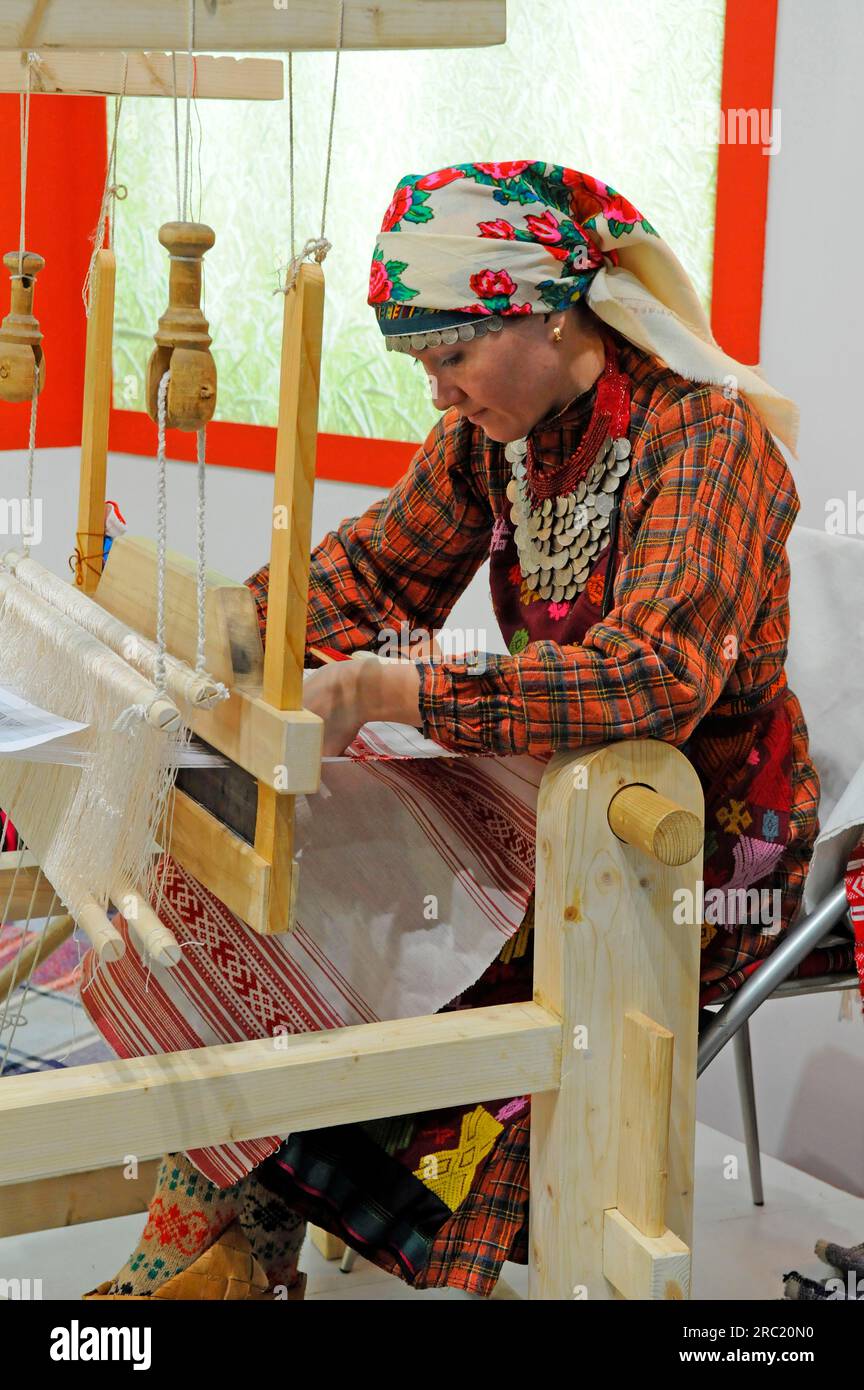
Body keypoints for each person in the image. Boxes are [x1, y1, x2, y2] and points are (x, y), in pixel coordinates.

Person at [84, 161, 849, 1302]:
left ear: (547, 311)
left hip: (698, 832)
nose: (438, 395)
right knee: (281, 872)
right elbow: (376, 568)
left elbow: (653, 678)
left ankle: (241, 1248)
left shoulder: (708, 438)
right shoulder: (502, 436)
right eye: (425, 366)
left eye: (450, 357)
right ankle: (228, 1244)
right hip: (560, 785)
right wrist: (226, 641)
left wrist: (396, 694)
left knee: (360, 919)